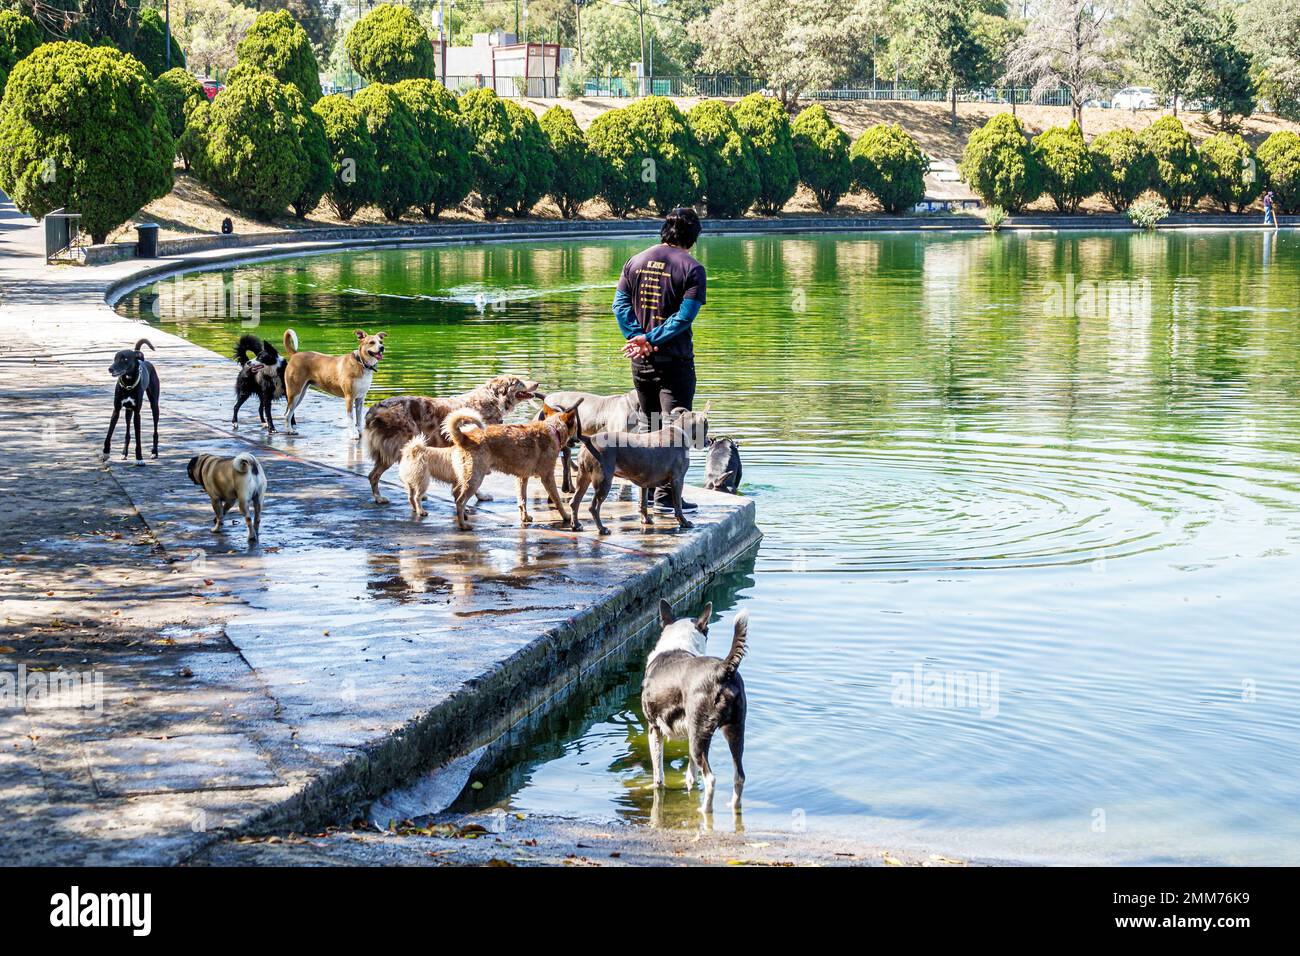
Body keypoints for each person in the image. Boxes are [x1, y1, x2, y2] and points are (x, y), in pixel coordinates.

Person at [613, 207, 706, 513]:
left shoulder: (635, 261)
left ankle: (649, 492)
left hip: (641, 362)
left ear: (664, 231)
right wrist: (650, 340)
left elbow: (620, 305)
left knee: (649, 425)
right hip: (674, 362)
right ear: (693, 237)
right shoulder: (692, 269)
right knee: (677, 429)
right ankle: (667, 497)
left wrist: (637, 338)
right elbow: (684, 318)